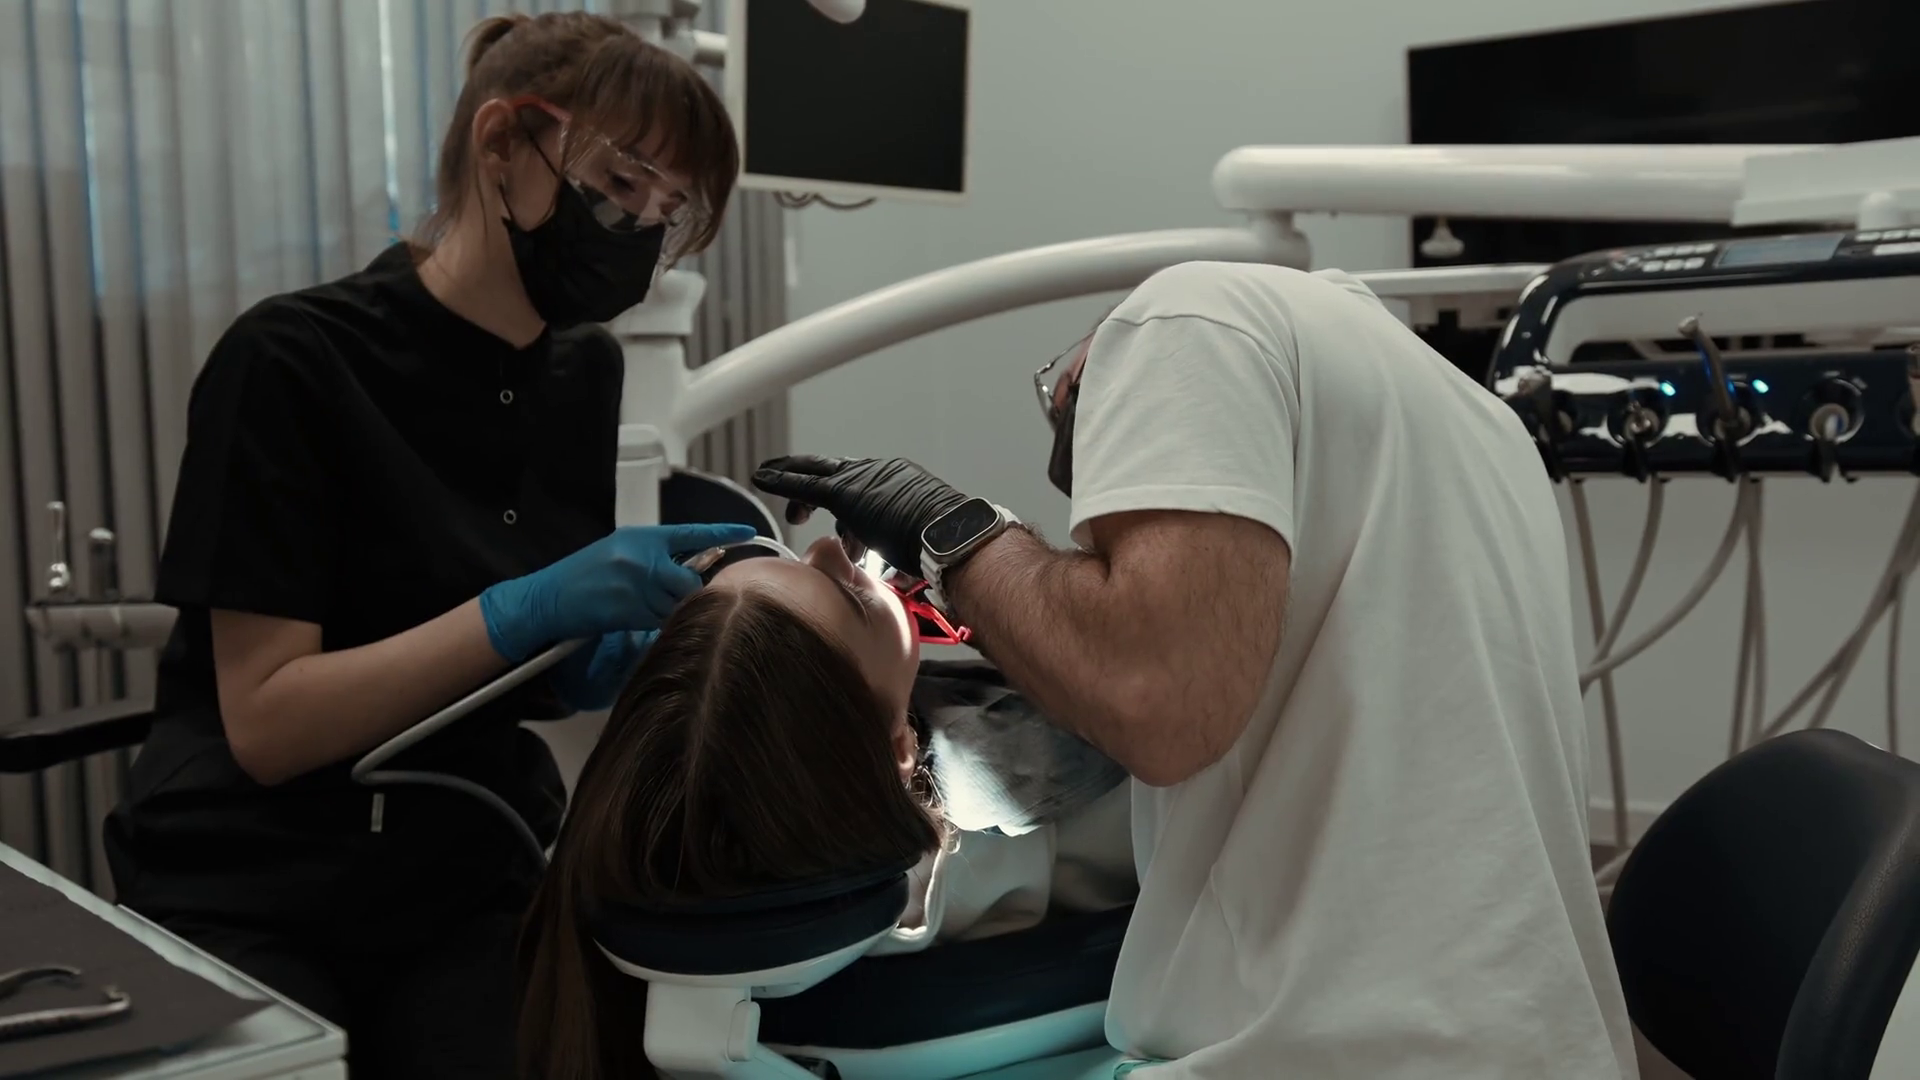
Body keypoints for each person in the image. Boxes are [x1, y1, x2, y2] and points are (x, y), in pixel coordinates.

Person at [751, 261, 1642, 1078]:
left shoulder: (1179, 321)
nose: (832, 560)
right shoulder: (1468, 416)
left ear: (1076, 376)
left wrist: (954, 532)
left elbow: (1157, 699)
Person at [102, 13, 752, 1079]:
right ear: (502, 143)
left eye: (669, 212)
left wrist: (584, 658)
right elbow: (267, 723)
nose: (638, 231)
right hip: (258, 877)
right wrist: (528, 611)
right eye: (620, 185)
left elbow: (503, 675)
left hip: (460, 874)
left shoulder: (581, 374)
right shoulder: (292, 362)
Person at [517, 534, 1136, 1080]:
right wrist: (996, 578)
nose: (829, 547)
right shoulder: (1032, 810)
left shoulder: (721, 804)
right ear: (897, 743)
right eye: (851, 596)